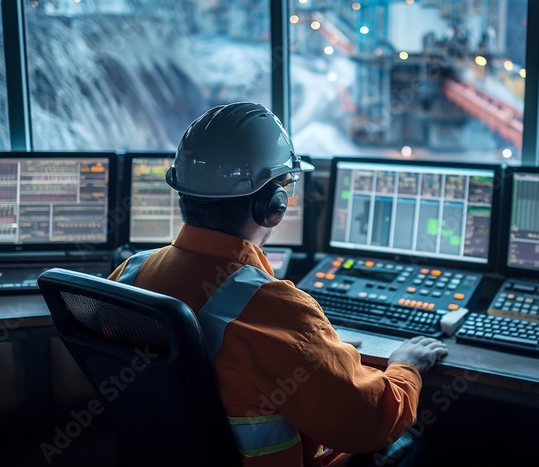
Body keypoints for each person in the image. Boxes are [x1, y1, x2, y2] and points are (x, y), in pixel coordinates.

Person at [108, 102, 448, 466]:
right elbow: (370, 424)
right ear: (274, 206)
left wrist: (317, 354)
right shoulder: (274, 309)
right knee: (405, 442)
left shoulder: (129, 274)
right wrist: (405, 366)